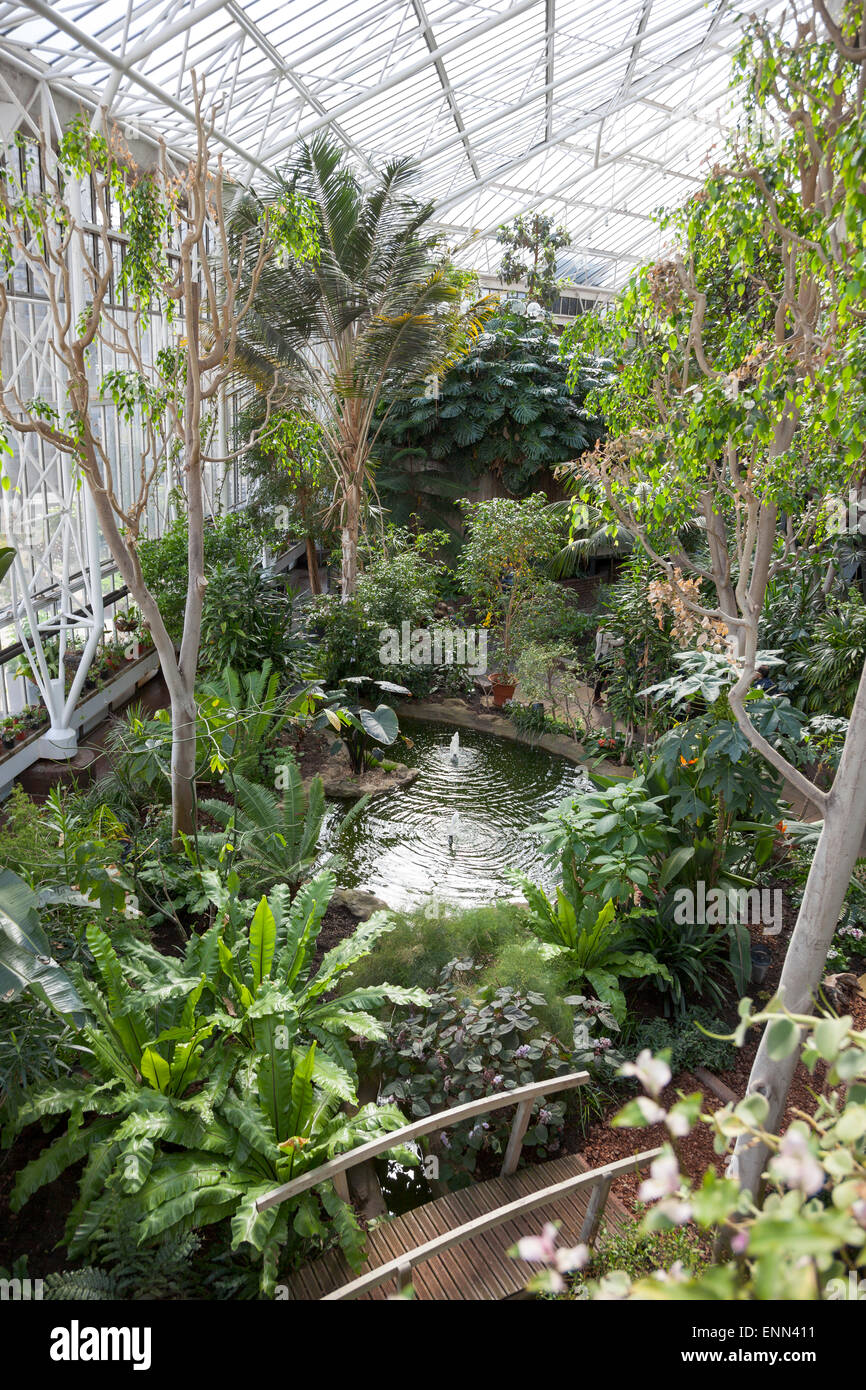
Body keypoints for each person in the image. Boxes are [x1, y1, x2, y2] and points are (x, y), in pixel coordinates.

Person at [592, 625, 624, 704]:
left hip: (599, 658)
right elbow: (617, 642)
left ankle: (597, 698)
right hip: (605, 659)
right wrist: (625, 636)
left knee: (601, 679)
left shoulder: (599, 631)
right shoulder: (606, 632)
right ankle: (602, 699)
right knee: (608, 677)